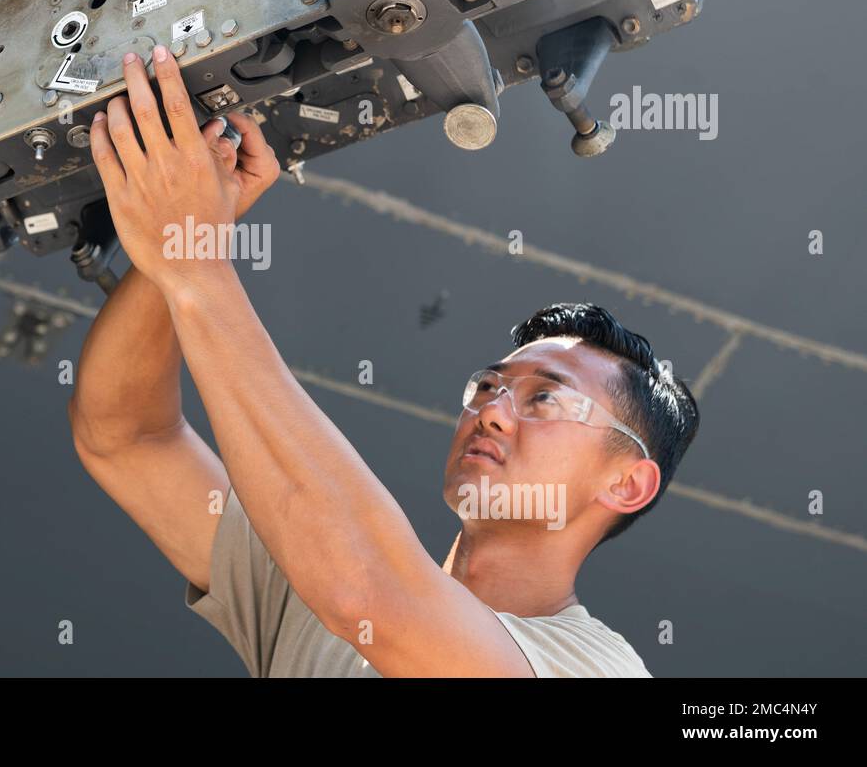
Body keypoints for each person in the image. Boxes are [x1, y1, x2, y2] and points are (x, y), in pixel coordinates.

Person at [67, 46, 700, 677]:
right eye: (488, 386)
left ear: (627, 484)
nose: (493, 414)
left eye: (546, 399)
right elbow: (126, 434)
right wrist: (194, 230)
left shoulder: (598, 668)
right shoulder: (315, 582)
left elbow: (369, 596)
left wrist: (197, 271)